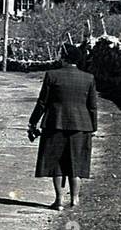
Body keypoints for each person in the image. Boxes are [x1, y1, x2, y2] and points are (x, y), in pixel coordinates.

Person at [28, 44, 97, 210]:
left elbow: (42, 103)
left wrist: (33, 122)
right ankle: (75, 199)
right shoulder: (88, 78)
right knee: (76, 163)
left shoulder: (52, 75)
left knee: (56, 162)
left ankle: (59, 201)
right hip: (81, 125)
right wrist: (93, 127)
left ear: (64, 58)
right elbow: (92, 107)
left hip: (55, 123)